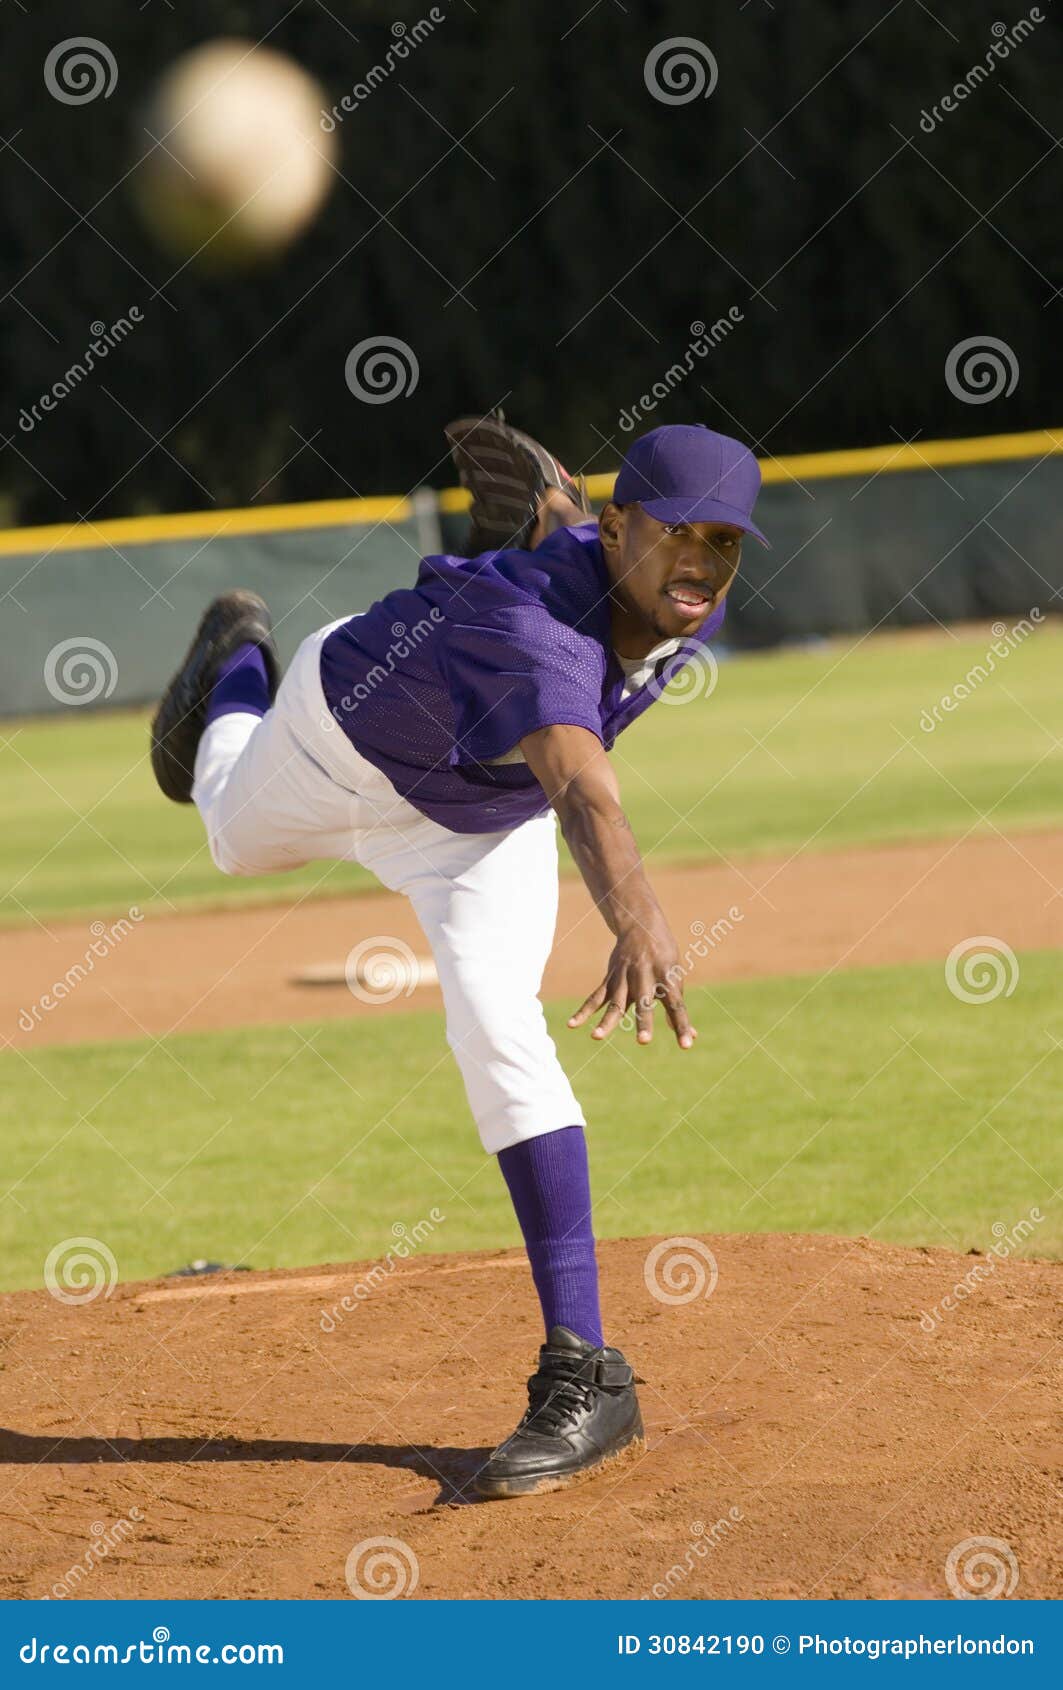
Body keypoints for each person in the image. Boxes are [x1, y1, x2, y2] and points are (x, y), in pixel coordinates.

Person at [150, 416, 766, 1499]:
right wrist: (637, 913)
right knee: (223, 833)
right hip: (331, 743)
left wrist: (561, 515)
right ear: (624, 525)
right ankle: (239, 655)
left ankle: (585, 1373)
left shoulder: (671, 603)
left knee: (494, 1017)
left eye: (724, 541)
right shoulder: (537, 628)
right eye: (677, 531)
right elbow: (583, 786)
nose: (701, 561)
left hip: (478, 820)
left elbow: (584, 646)